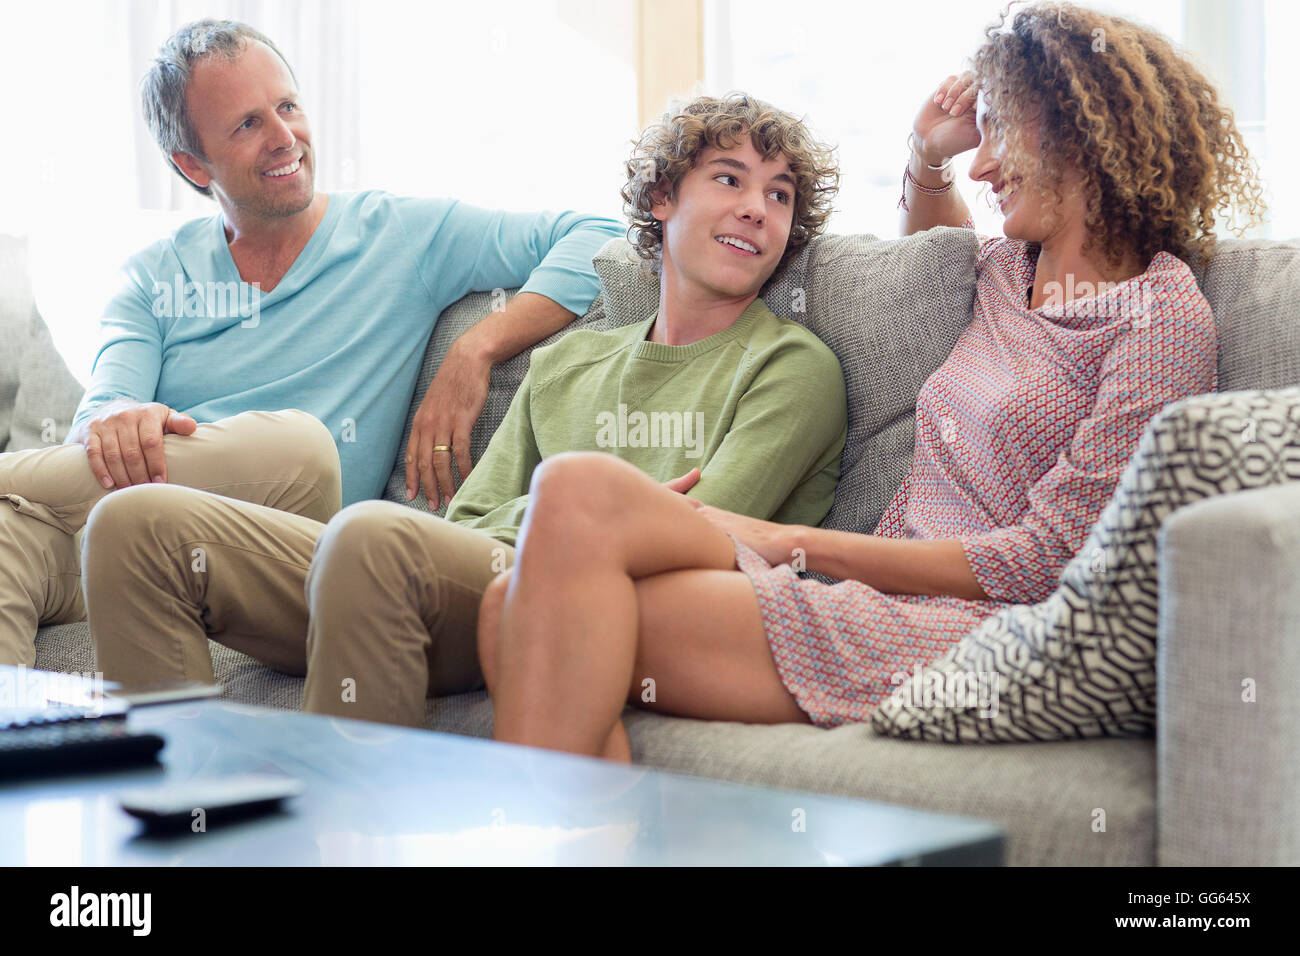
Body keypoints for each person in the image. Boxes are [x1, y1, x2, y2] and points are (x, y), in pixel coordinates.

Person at [477, 1, 1267, 761]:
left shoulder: (1160, 321)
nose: (984, 165)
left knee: (533, 594)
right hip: (876, 600)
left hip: (985, 628)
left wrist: (785, 542)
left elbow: (1051, 559)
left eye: (1002, 134)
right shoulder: (1003, 273)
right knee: (548, 535)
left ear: (1079, 129)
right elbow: (927, 257)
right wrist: (927, 152)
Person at [83, 93, 848, 729]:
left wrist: (564, 520)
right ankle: (185, 823)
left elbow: (703, 536)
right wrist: (586, 515)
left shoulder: (791, 368)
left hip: (567, 604)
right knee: (136, 523)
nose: (757, 209)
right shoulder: (567, 362)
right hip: (459, 578)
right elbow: (474, 519)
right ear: (661, 198)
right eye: (730, 180)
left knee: (372, 535)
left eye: (779, 195)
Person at [0, 18, 623, 667]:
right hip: (107, 552)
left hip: (274, 542)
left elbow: (595, 232)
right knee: (8, 528)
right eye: (246, 125)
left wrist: (479, 348)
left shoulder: (400, 237)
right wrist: (118, 418)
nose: (283, 138)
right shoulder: (153, 276)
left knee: (298, 446)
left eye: (288, 107)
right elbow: (101, 419)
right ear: (191, 163)